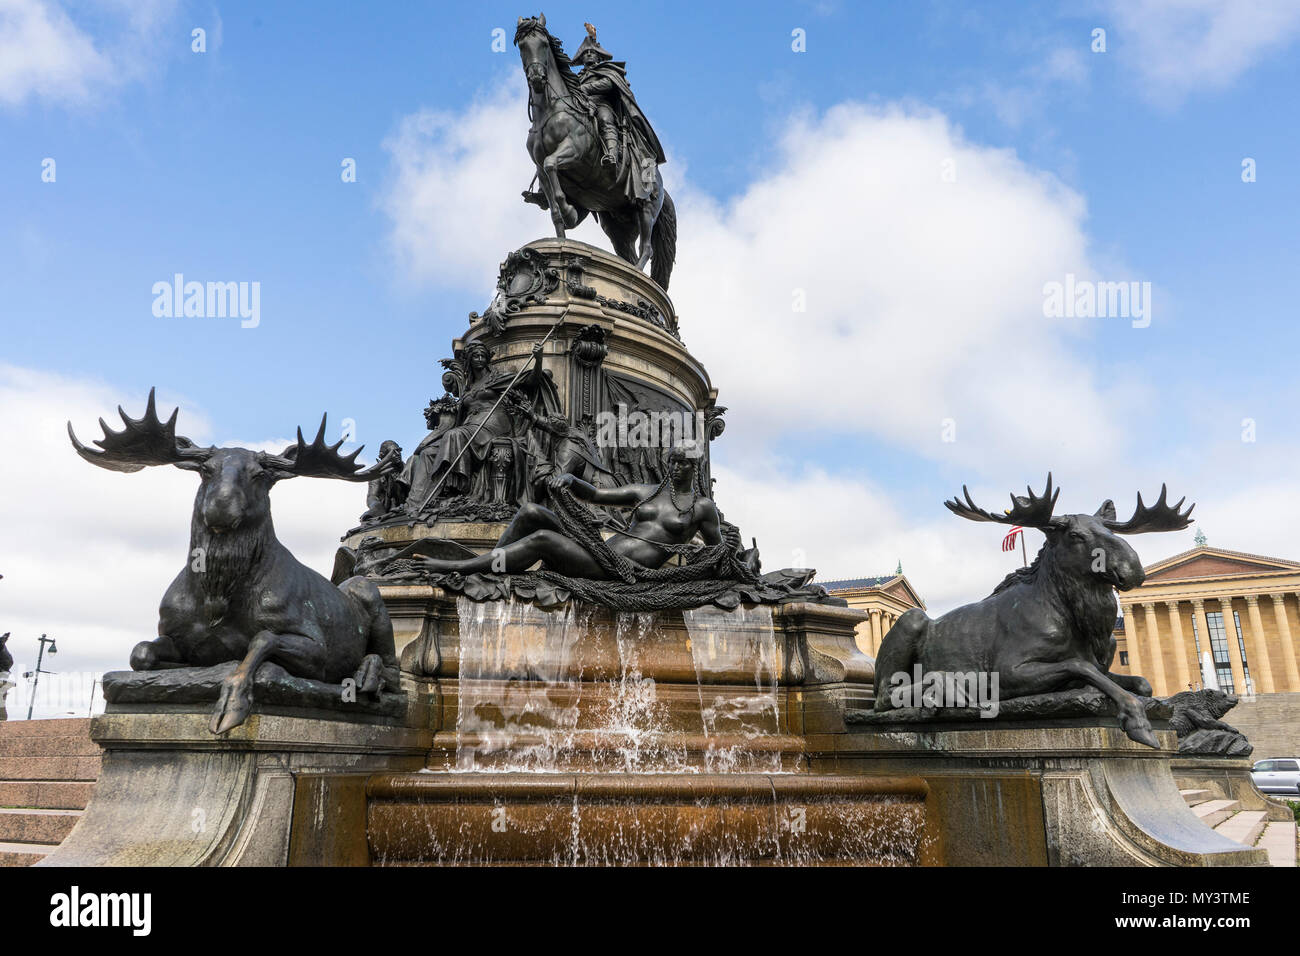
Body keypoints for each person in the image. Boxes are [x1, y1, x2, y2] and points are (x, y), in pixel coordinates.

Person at [402, 443, 717, 578]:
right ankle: (488, 568)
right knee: (530, 512)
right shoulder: (645, 492)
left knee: (542, 539)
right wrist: (571, 480)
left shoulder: (701, 508)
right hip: (602, 552)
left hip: (621, 570)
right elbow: (595, 494)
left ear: (695, 465)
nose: (676, 468)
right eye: (673, 461)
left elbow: (717, 551)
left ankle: (461, 568)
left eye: (684, 463)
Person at [572, 23, 666, 199]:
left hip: (602, 105)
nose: (589, 55)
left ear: (599, 57)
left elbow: (607, 84)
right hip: (582, 107)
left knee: (605, 120)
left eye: (592, 52)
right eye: (586, 54)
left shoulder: (607, 71)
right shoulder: (577, 77)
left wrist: (585, 89)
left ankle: (612, 155)